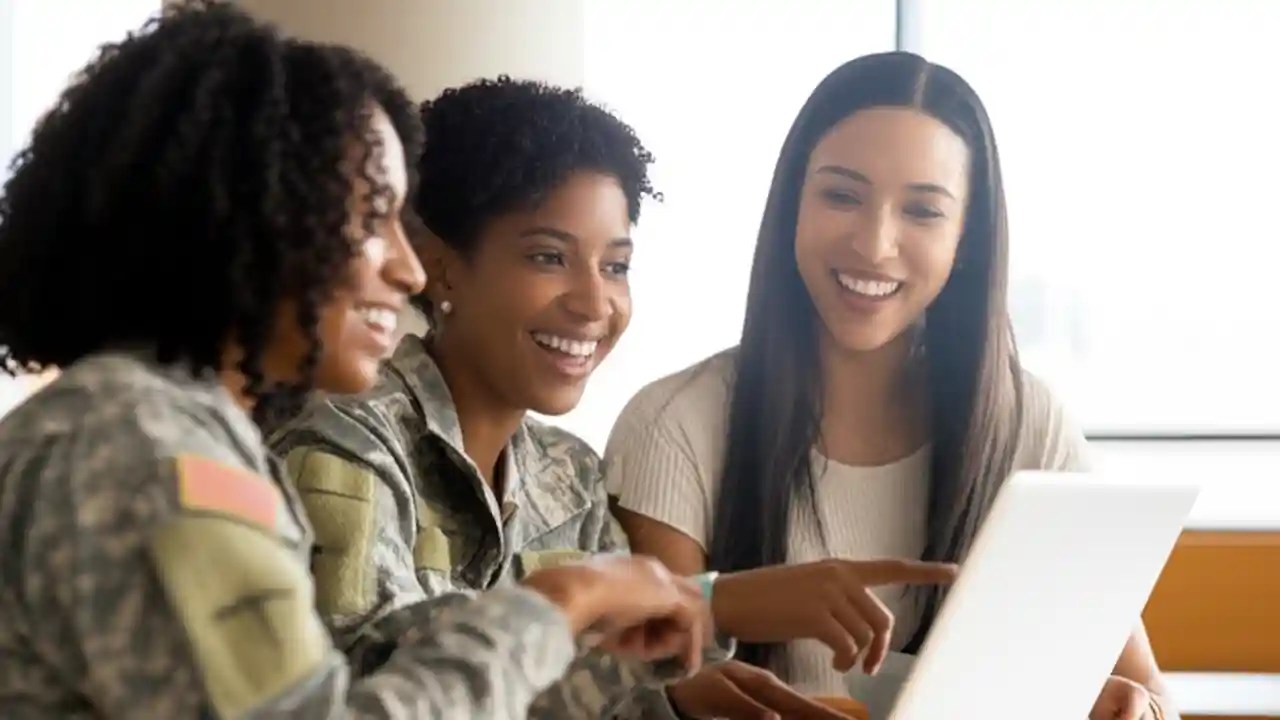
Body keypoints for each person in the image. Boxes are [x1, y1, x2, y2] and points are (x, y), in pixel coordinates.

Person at [0, 4, 716, 718]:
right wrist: (564, 600)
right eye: (374, 219)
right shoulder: (147, 450)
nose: (408, 272)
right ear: (255, 213)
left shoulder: (158, 431)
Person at [269, 76, 956, 720]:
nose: (594, 302)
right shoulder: (340, 442)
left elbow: (569, 688)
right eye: (548, 257)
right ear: (441, 261)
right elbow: (396, 684)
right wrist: (715, 602)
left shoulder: (569, 477)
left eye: (616, 266)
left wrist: (678, 697)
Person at [605, 51, 1178, 720]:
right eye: (842, 195)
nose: (875, 245)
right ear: (794, 203)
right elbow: (653, 679)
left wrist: (1131, 710)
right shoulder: (676, 423)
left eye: (923, 212)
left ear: (967, 238)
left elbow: (1151, 691)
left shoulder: (1030, 425)